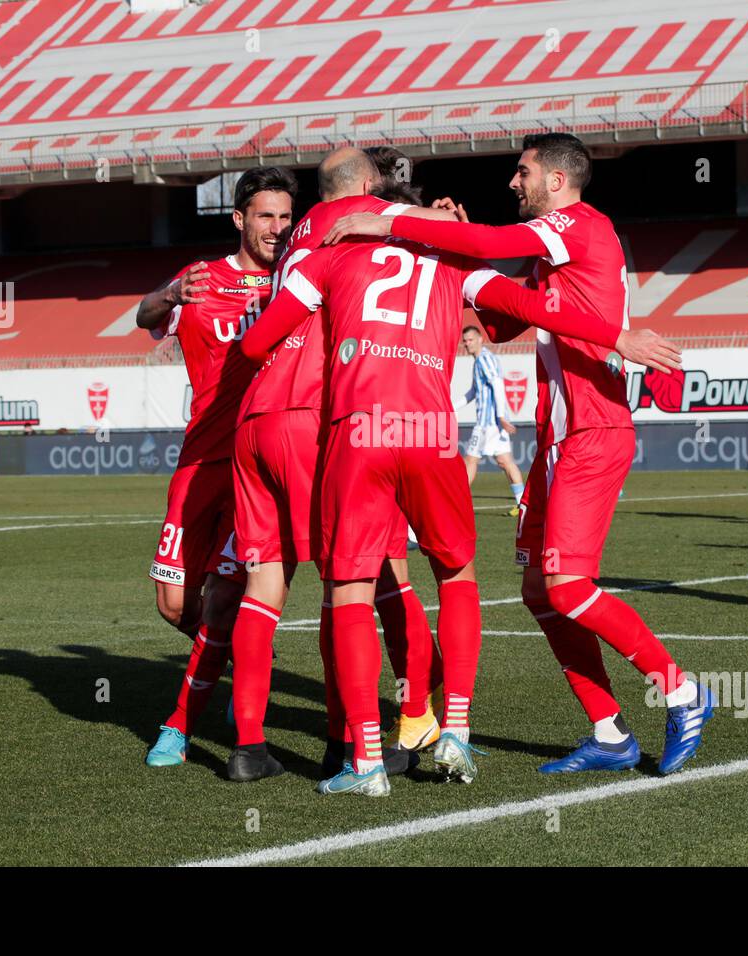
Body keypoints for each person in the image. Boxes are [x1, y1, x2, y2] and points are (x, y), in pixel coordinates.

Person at [324, 132, 711, 776]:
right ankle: (611, 732)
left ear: (557, 182)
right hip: (558, 440)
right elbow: (502, 316)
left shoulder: (579, 227)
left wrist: (391, 219)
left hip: (594, 431)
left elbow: (490, 245)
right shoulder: (553, 257)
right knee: (538, 587)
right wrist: (452, 279)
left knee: (567, 585)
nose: (513, 182)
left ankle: (681, 689)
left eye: (523, 171)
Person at [227, 147, 453, 782]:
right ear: (366, 188)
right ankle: (362, 739)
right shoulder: (362, 223)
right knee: (361, 579)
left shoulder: (299, 233)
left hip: (256, 414)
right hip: (319, 414)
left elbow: (257, 337)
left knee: (264, 585)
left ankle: (248, 746)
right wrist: (436, 223)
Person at [135, 166, 295, 769]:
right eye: (265, 216)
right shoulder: (201, 280)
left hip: (262, 466)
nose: (277, 228)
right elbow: (145, 316)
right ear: (239, 220)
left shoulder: (295, 281)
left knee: (227, 599)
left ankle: (182, 722)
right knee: (173, 603)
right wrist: (169, 296)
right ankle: (244, 656)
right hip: (199, 459)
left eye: (285, 216)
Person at [459, 325, 524, 516]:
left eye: (470, 339)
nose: (466, 343)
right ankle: (523, 506)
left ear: (480, 339)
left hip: (488, 423)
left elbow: (497, 384)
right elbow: (473, 392)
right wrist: (449, 407)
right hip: (494, 423)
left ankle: (456, 501)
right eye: (464, 340)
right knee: (506, 461)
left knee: (470, 460)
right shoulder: (480, 360)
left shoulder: (484, 359)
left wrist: (501, 416)